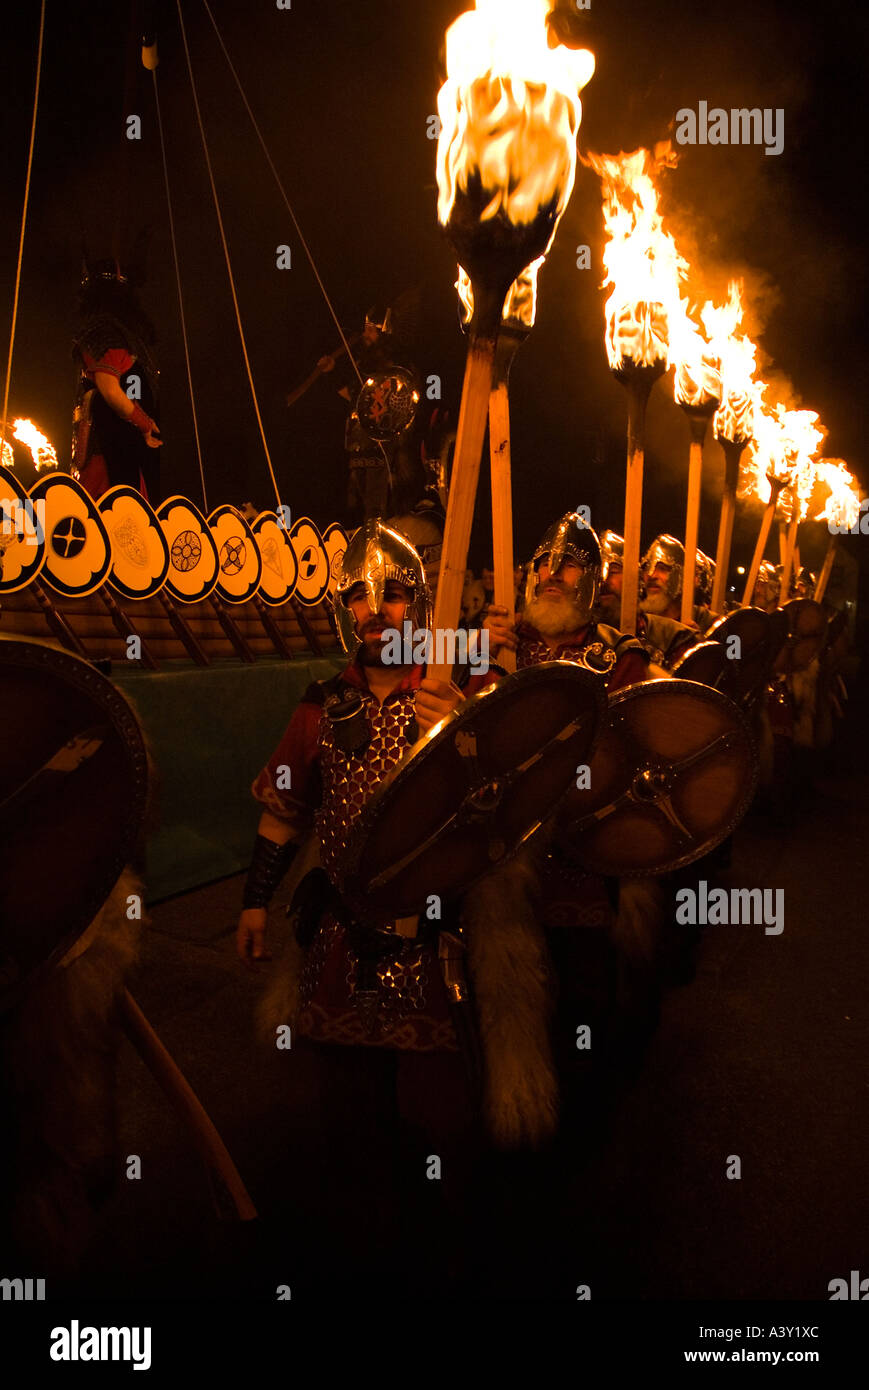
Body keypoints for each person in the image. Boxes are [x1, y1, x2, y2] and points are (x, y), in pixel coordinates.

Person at [71, 259, 162, 503]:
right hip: (109, 446)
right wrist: (144, 423)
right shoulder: (106, 333)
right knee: (110, 509)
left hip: (125, 444)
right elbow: (110, 390)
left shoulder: (120, 336)